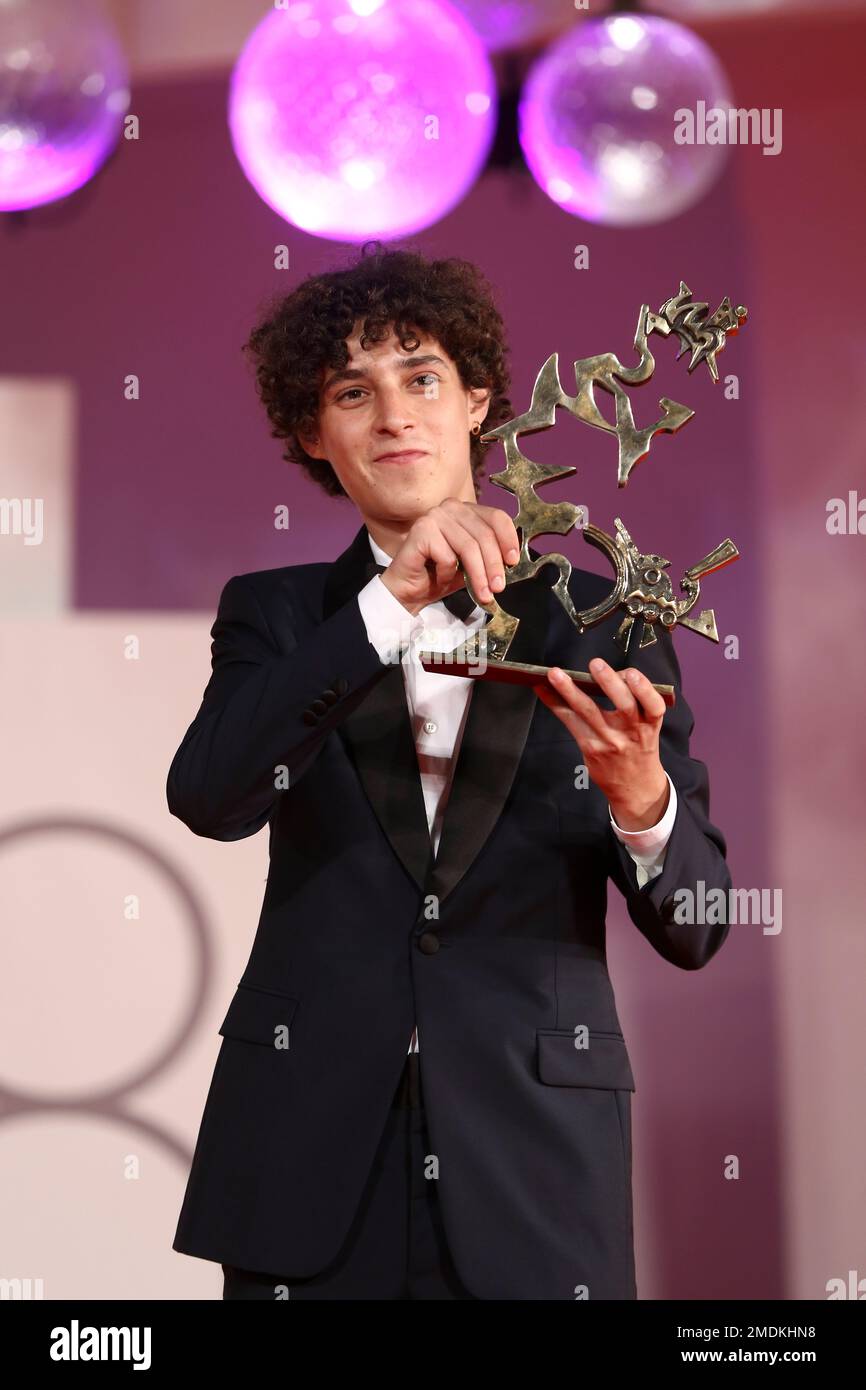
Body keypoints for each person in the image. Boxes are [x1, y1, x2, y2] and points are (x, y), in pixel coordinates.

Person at [167, 241, 732, 1300]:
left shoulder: (600, 618)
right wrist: (388, 605)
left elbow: (697, 921)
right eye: (351, 391)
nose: (393, 415)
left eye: (421, 377)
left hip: (533, 1174)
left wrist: (639, 805)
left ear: (476, 401)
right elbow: (211, 795)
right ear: (311, 436)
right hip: (307, 1168)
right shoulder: (280, 614)